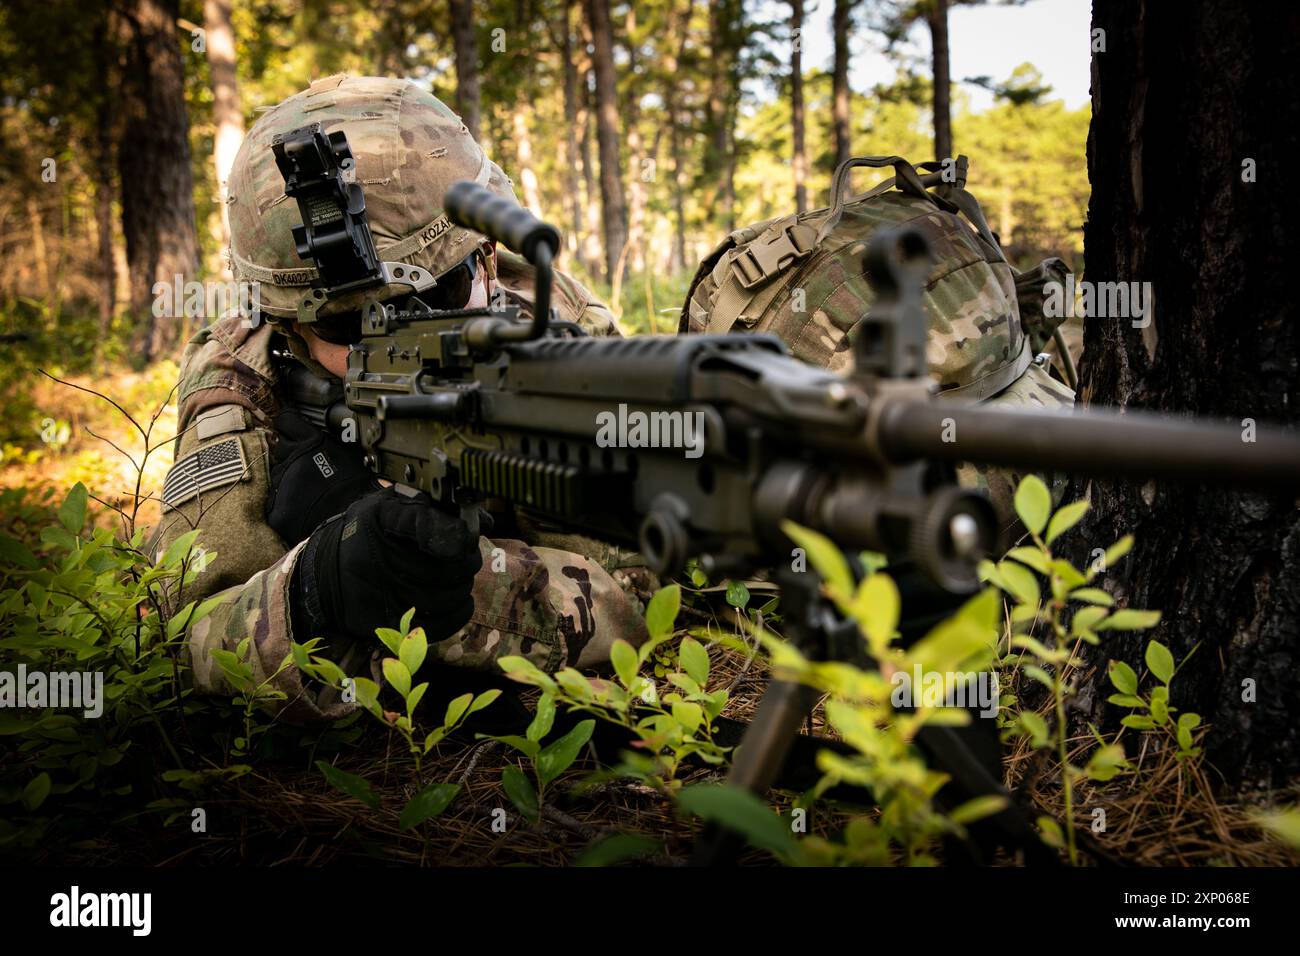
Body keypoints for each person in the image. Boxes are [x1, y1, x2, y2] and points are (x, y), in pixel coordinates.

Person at [154, 75, 649, 726]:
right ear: (284, 324)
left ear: (489, 260)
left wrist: (461, 586)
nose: (402, 338)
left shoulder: (554, 324)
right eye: (344, 325)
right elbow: (194, 631)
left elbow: (640, 599)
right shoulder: (240, 375)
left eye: (439, 295)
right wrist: (314, 588)